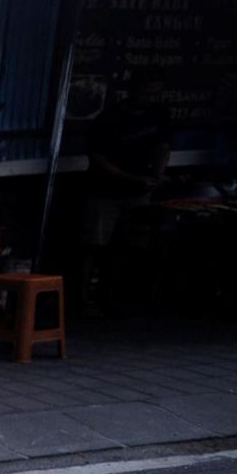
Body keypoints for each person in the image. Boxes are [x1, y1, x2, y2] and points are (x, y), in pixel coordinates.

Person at [81, 68, 172, 312]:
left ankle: (117, 297)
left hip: (140, 191)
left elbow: (164, 146)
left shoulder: (159, 114)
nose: (151, 97)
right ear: (134, 91)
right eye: (147, 92)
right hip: (106, 190)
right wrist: (130, 178)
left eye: (156, 93)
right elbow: (97, 158)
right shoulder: (110, 117)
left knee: (130, 245)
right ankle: (82, 298)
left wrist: (157, 174)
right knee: (95, 244)